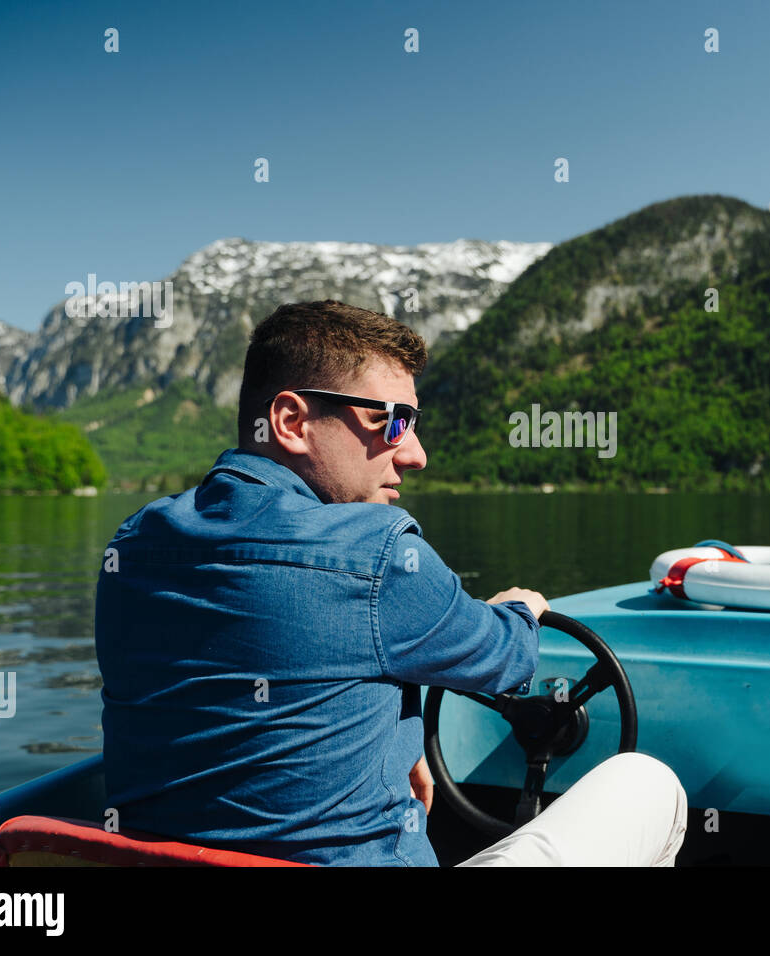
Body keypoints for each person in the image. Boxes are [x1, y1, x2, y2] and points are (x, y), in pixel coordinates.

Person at [94, 300, 686, 866]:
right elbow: (506, 658)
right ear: (293, 421)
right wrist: (520, 610)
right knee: (647, 784)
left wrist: (398, 741)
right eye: (392, 421)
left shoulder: (134, 546)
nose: (417, 454)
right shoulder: (377, 555)